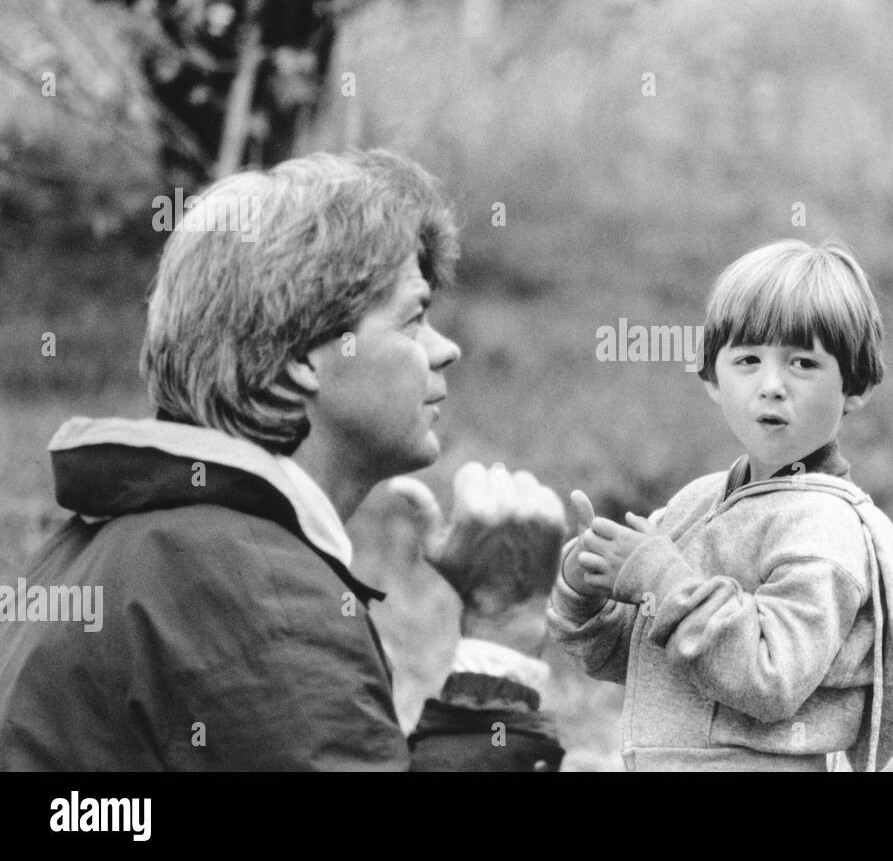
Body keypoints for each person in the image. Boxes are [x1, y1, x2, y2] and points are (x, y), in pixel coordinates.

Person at [0, 150, 568, 771]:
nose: (446, 349)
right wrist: (501, 639)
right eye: (413, 319)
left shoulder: (122, 545)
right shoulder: (258, 594)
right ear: (297, 358)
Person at [547, 239, 893, 771]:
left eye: (803, 363)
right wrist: (587, 585)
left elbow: (771, 678)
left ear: (854, 387)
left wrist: (657, 577)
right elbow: (633, 657)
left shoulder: (825, 528)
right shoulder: (696, 503)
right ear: (712, 380)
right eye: (747, 360)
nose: (771, 386)